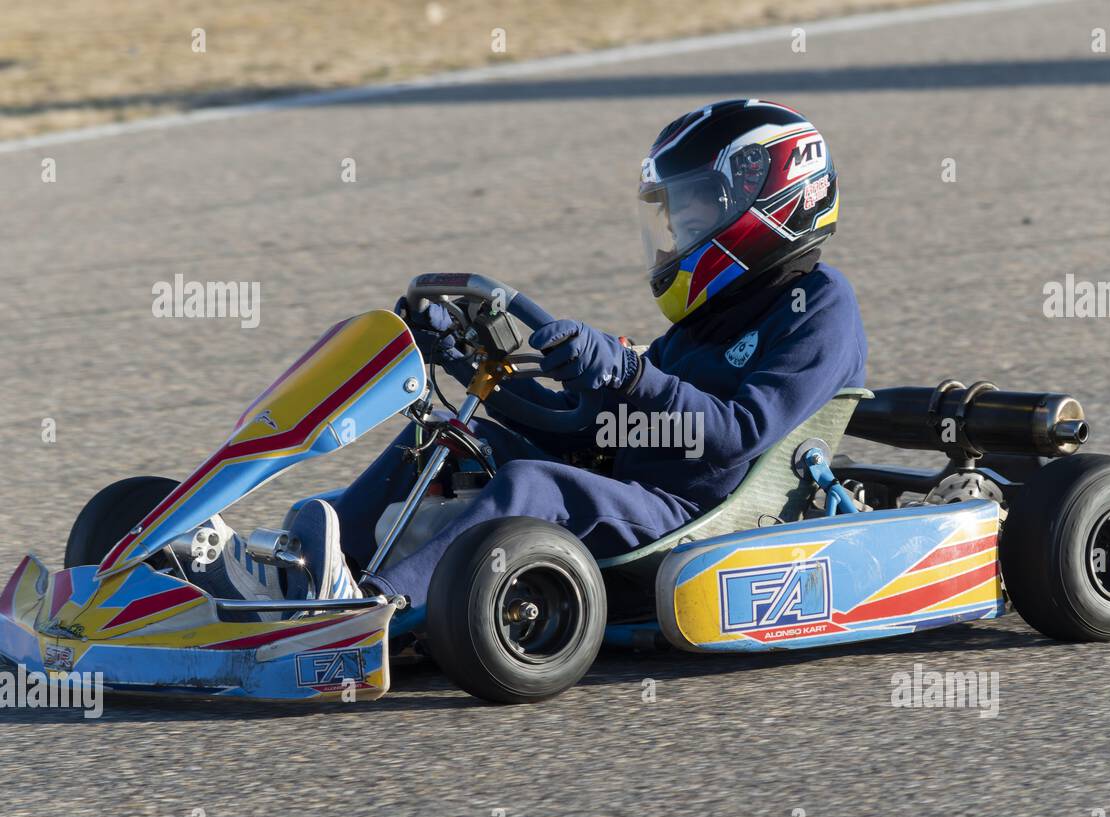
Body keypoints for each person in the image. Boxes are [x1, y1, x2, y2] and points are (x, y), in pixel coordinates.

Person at [198, 99, 868, 611]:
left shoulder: (818, 308)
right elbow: (585, 432)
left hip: (697, 513)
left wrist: (629, 372)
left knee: (533, 488)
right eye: (677, 215)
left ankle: (376, 605)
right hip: (637, 479)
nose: (677, 233)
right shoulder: (713, 315)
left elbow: (736, 434)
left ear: (769, 200)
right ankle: (301, 565)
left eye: (694, 212)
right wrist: (469, 362)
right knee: (454, 441)